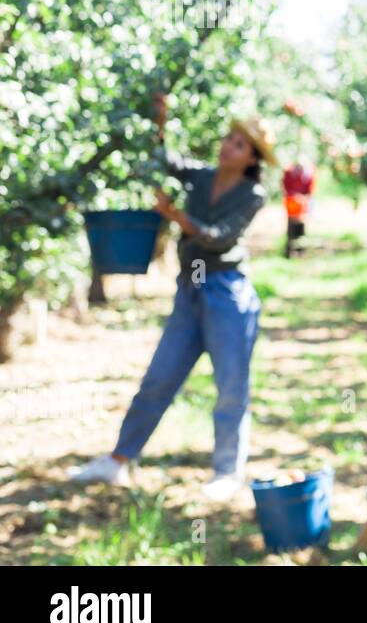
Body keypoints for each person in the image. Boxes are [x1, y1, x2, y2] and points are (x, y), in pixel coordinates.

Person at [70, 96, 277, 501]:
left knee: (231, 387)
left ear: (252, 157)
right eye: (228, 138)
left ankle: (227, 473)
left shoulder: (253, 194)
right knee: (159, 377)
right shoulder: (201, 177)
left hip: (226, 291)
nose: (227, 146)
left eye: (239, 143)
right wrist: (159, 120)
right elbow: (162, 158)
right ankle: (118, 460)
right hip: (191, 289)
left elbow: (219, 237)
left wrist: (175, 216)